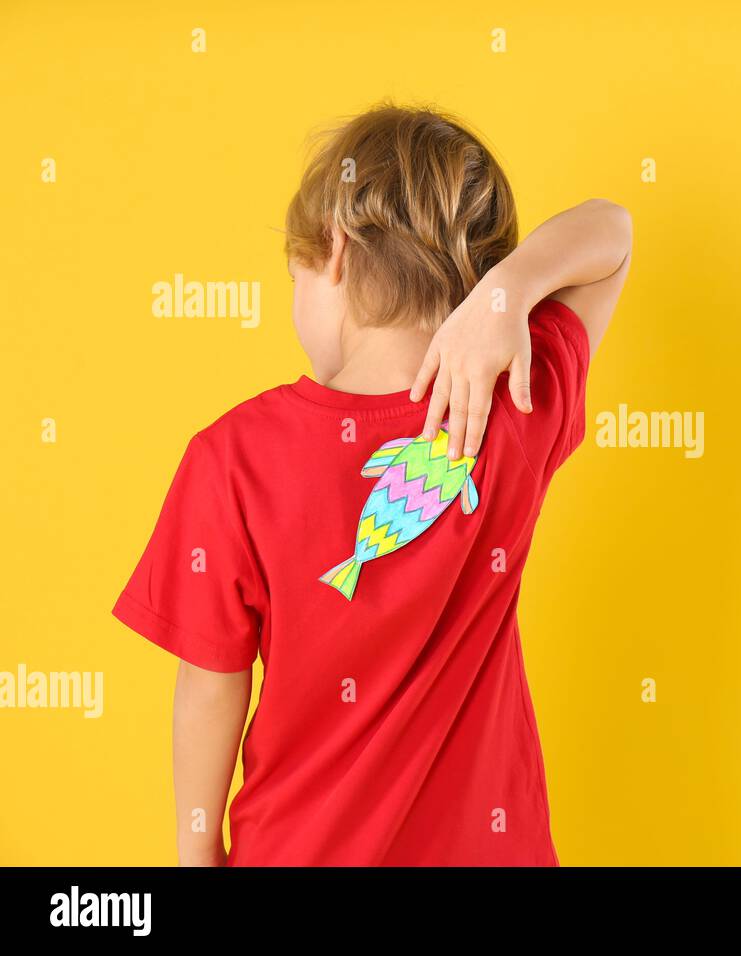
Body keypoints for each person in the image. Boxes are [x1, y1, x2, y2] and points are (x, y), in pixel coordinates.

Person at [111, 103, 632, 865]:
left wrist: (197, 858)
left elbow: (211, 685)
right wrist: (506, 296)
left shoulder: (232, 458)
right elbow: (611, 232)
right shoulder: (515, 406)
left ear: (333, 251)